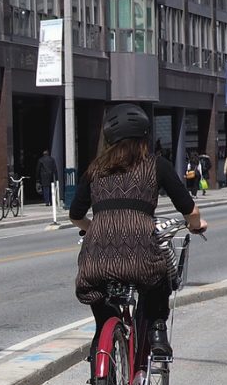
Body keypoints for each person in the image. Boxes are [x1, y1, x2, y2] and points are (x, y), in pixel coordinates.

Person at [71, 104, 207, 362]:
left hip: (95, 259)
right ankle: (157, 331)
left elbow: (76, 215)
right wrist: (196, 224)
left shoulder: (95, 169)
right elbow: (190, 209)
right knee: (159, 277)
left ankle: (102, 337)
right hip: (140, 255)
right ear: (145, 135)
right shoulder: (157, 165)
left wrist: (96, 230)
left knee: (98, 297)